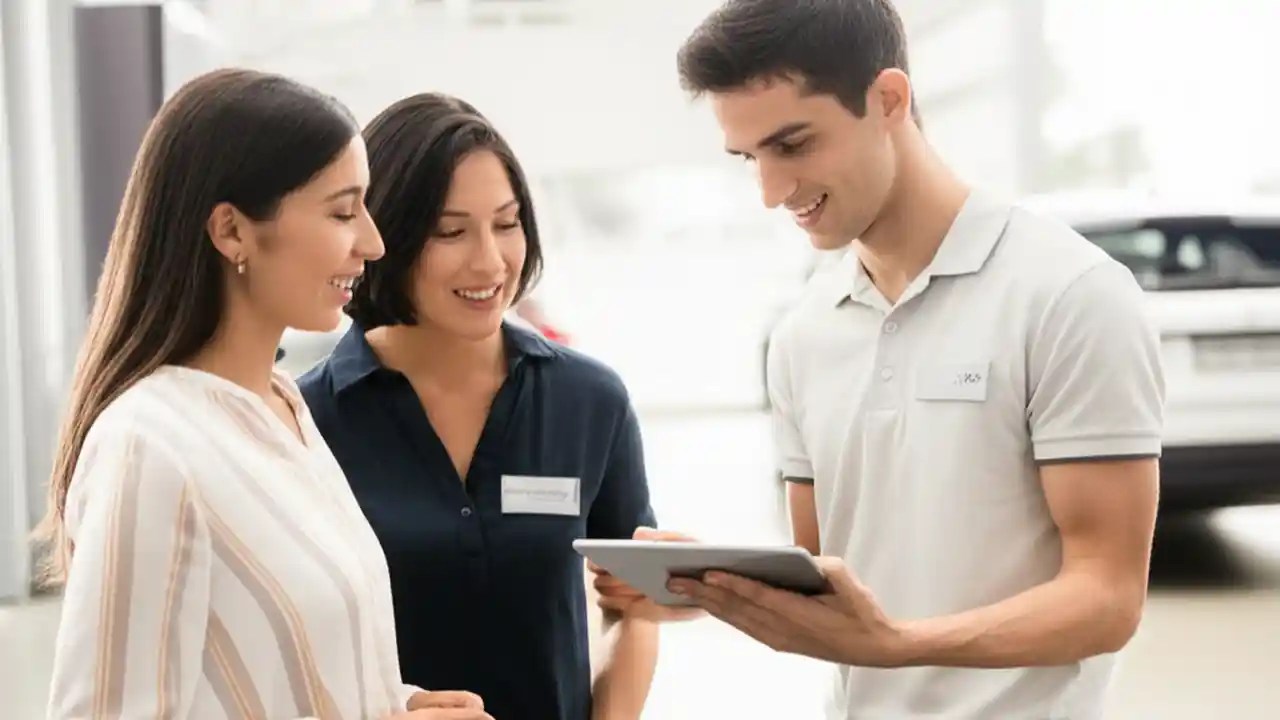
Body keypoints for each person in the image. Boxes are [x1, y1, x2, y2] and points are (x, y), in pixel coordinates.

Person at [594, 1, 1166, 718]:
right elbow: (827, 577)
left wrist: (900, 642)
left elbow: (1107, 597)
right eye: (751, 159)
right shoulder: (804, 333)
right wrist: (715, 583)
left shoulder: (1071, 296)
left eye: (793, 145)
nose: (771, 193)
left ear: (888, 100)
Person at [36, 68, 490, 720]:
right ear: (231, 232)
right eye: (342, 211)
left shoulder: (284, 412)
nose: (373, 241)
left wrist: (402, 705)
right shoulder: (150, 447)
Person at [297, 93, 660, 720]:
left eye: (508, 222)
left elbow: (633, 608)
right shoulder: (305, 422)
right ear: (386, 236)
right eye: (451, 232)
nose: (490, 261)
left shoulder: (589, 402)